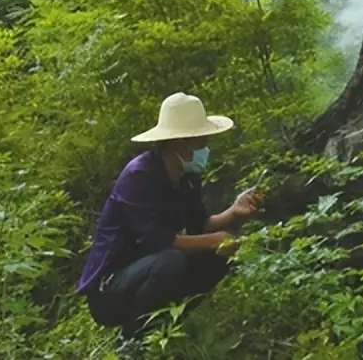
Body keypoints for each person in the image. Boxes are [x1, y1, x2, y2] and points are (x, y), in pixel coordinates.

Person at [77, 92, 263, 343]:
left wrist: (233, 211)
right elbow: (162, 241)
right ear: (181, 143)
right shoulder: (139, 177)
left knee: (218, 254)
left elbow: (200, 226)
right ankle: (132, 340)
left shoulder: (188, 178)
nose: (206, 149)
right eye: (202, 142)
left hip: (151, 267)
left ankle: (165, 330)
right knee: (172, 260)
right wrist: (215, 239)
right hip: (110, 289)